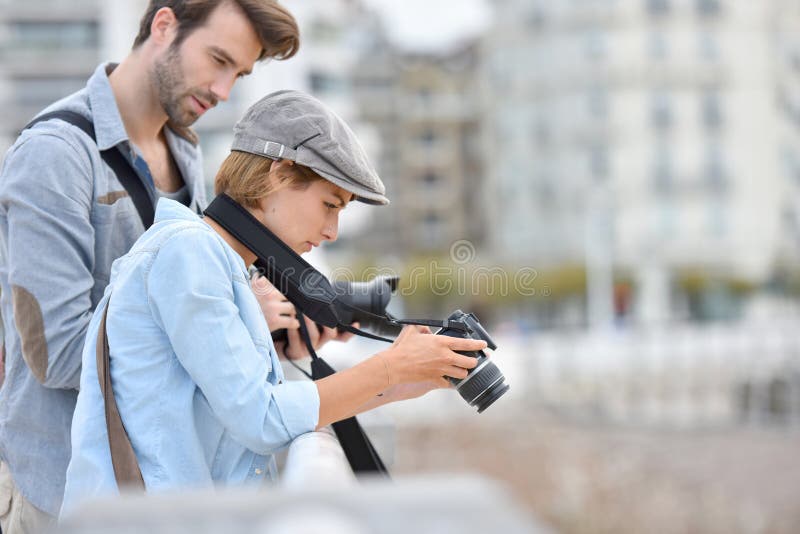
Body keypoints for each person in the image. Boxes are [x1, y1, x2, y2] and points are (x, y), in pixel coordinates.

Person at [61, 90, 485, 514]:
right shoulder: (189, 252)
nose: (333, 230)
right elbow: (260, 419)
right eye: (329, 205)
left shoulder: (222, 266)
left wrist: (402, 382)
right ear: (278, 175)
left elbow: (268, 412)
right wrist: (390, 366)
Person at [0, 1, 303, 530]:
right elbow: (58, 353)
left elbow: (193, 307)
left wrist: (265, 329)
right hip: (62, 493)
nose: (223, 89)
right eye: (218, 59)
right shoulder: (55, 155)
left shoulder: (184, 152)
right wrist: (229, 316)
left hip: (154, 495)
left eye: (240, 73)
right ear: (163, 27)